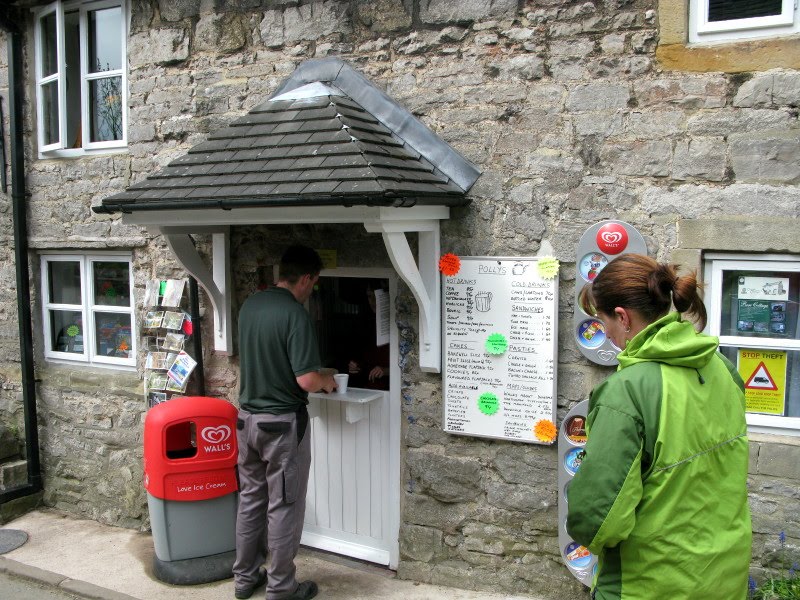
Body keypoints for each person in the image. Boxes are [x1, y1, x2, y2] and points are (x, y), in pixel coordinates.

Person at [566, 254, 751, 599]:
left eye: (602, 321)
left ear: (622, 317)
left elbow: (599, 516)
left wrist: (583, 529)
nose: (605, 333)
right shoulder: (722, 368)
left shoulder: (627, 391)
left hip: (651, 582)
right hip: (724, 572)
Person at [234, 245, 335, 600]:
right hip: (281, 426)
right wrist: (326, 380)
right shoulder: (295, 314)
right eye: (315, 284)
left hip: (246, 422)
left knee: (250, 500)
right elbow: (306, 380)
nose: (312, 292)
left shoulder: (251, 304)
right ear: (306, 279)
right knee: (284, 506)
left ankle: (245, 579)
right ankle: (281, 588)